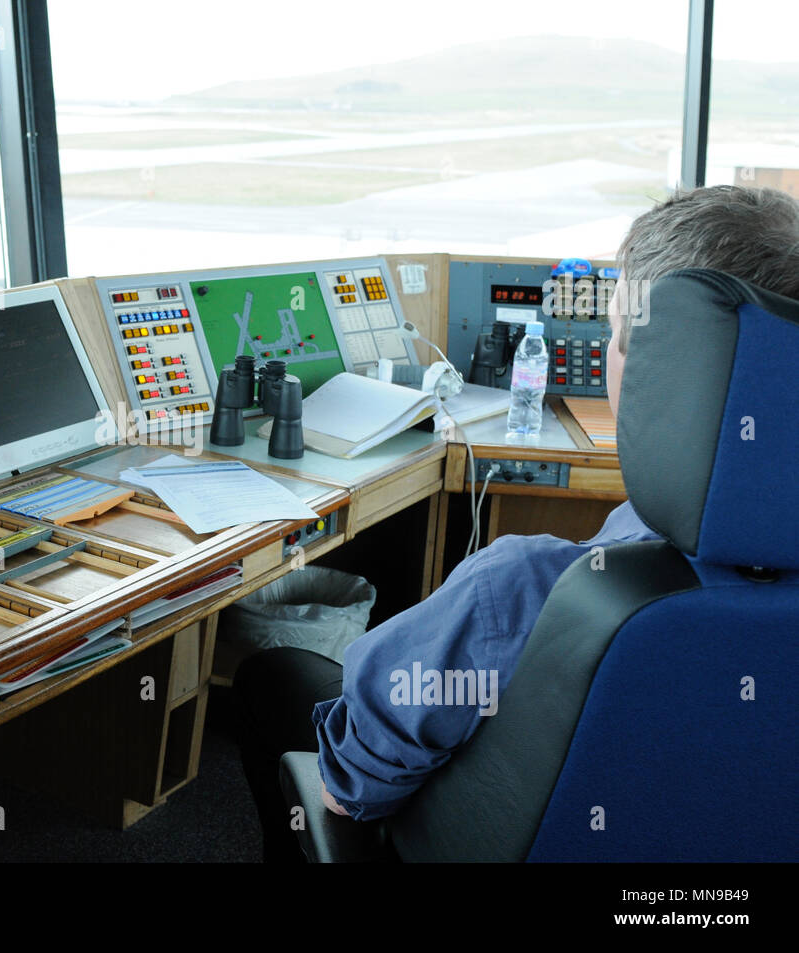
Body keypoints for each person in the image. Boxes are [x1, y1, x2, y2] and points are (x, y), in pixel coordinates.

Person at [234, 185, 799, 862]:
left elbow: (348, 783)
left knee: (274, 677)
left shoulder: (522, 585)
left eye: (622, 332)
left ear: (664, 363)